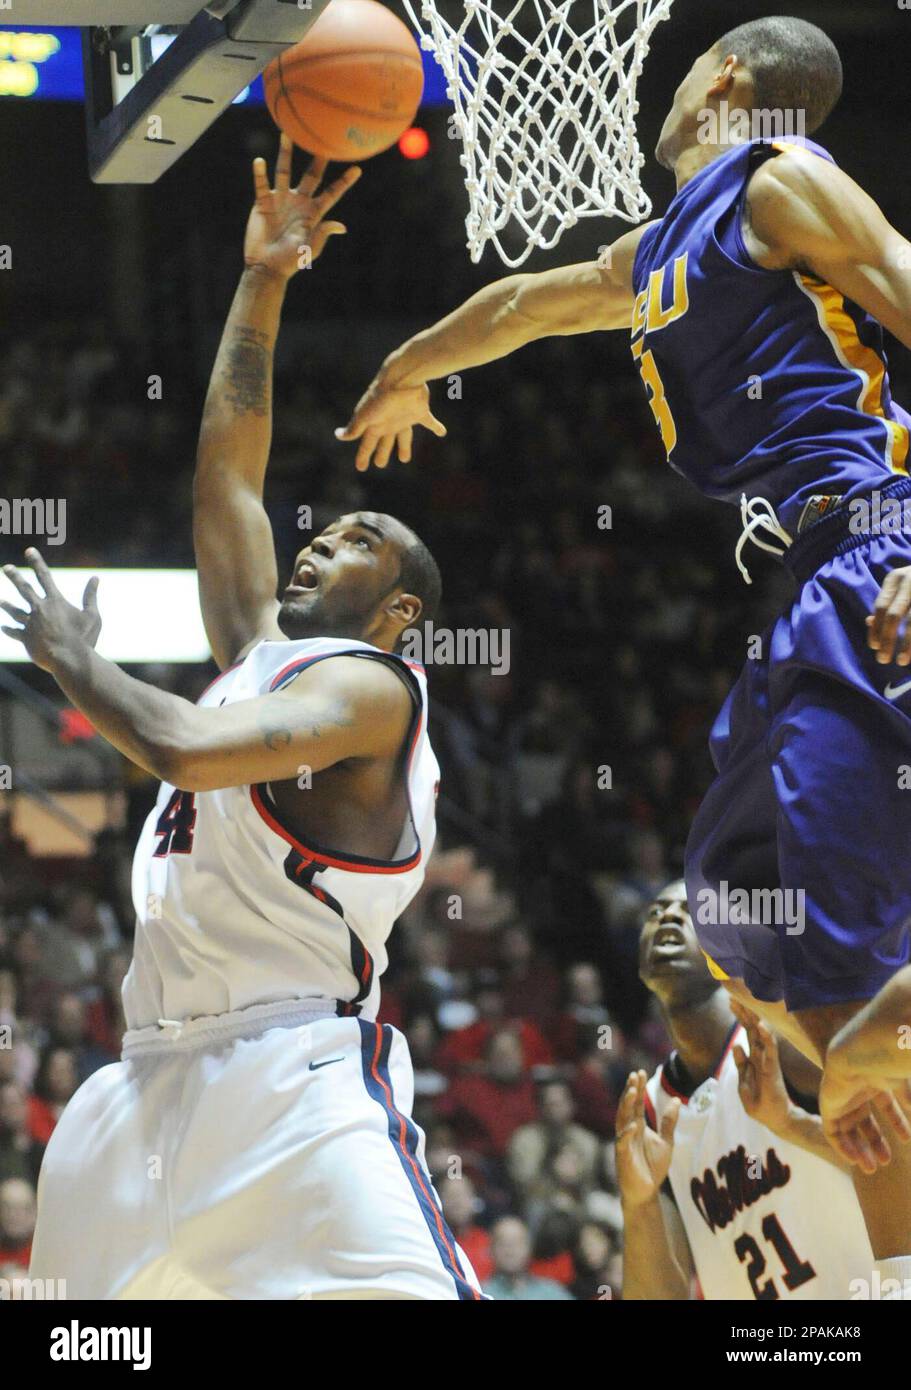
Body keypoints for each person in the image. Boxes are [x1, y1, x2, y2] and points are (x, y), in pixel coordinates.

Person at [338, 15, 911, 1291]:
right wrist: (405, 365)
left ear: (726, 80)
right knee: (740, 920)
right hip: (793, 591)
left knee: (850, 953)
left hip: (872, 538)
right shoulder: (665, 246)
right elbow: (523, 307)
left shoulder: (779, 178)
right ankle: (878, 1180)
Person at [2, 137, 482, 1300]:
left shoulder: (372, 692)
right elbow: (225, 476)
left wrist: (77, 661)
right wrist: (264, 278)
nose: (322, 539)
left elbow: (179, 747)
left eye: (359, 538)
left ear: (402, 607)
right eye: (323, 530)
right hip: (138, 1087)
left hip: (293, 1081)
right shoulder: (260, 654)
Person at [618, 881, 872, 1300]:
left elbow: (893, 1158)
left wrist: (789, 1124)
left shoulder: (784, 1043)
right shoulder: (652, 1112)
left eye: (690, 910)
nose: (667, 917)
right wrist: (638, 1203)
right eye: (655, 912)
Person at [482, 1216, 574, 1301]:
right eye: (502, 1243)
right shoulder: (479, 1294)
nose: (510, 1250)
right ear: (490, 1250)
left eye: (517, 1242)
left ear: (529, 1247)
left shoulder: (552, 1293)